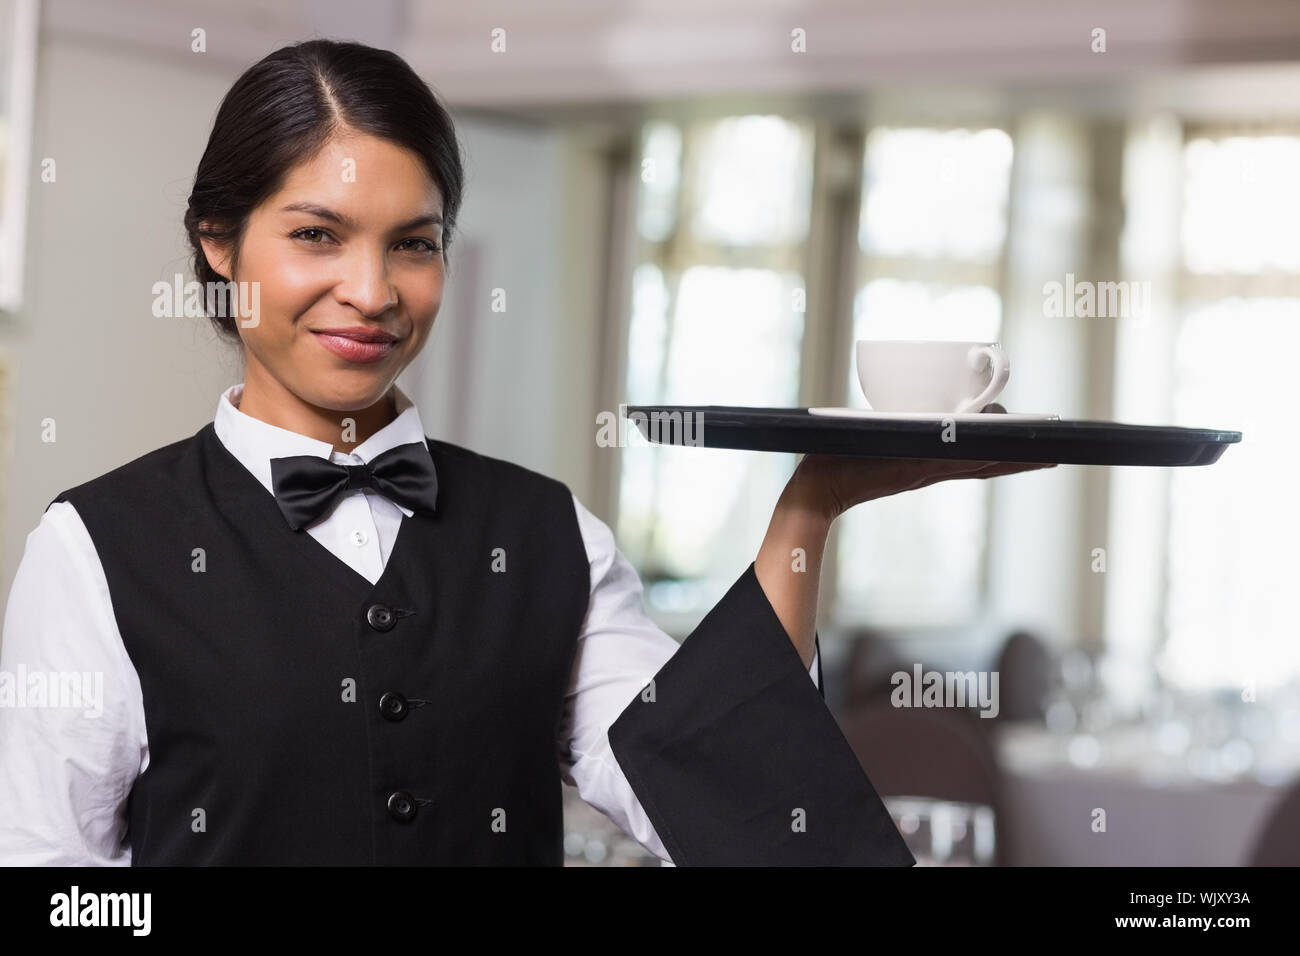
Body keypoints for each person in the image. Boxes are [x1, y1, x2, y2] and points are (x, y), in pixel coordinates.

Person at [0, 39, 1051, 867]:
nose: (371, 291)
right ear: (219, 243)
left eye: (413, 242)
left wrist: (809, 508)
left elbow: (727, 798)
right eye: (317, 235)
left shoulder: (548, 535)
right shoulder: (93, 551)